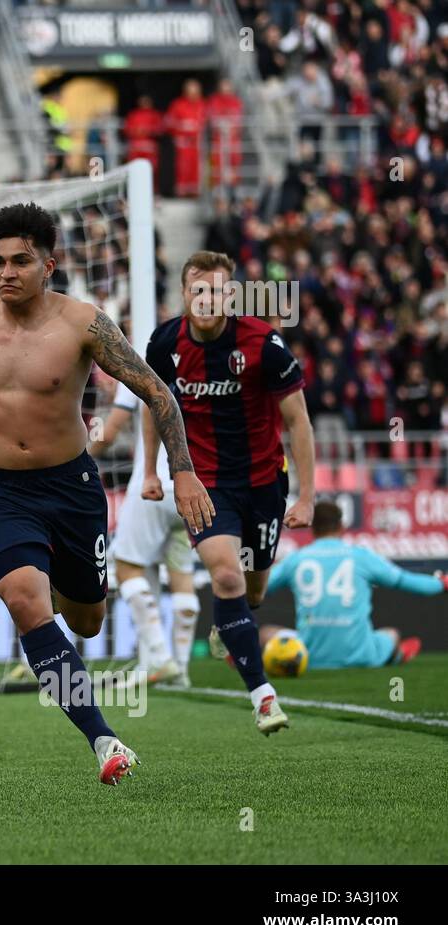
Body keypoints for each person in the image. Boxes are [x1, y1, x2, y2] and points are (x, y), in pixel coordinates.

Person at [0, 203, 214, 785]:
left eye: (20, 261)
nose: (6, 272)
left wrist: (182, 471)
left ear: (49, 264)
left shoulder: (85, 324)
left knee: (87, 621)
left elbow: (159, 395)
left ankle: (53, 583)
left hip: (72, 488)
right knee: (27, 603)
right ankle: (103, 738)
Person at [142, 251, 316, 735]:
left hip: (264, 483)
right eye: (198, 290)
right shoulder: (165, 342)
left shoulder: (265, 345)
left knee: (253, 588)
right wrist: (151, 471)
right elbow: (154, 404)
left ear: (230, 296)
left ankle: (230, 625)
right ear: (184, 294)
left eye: (216, 291)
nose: (206, 299)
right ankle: (263, 698)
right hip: (204, 484)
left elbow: (298, 420)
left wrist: (305, 497)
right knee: (226, 577)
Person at [89, 381, 201, 688]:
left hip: (151, 486)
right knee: (181, 574)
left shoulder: (139, 371)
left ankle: (160, 657)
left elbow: (108, 433)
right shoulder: (197, 369)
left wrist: (79, 456)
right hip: (191, 486)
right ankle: (177, 669)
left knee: (126, 567)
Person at [261, 501, 438, 667]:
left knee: (265, 634)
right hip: (360, 656)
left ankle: (249, 655)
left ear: (313, 530)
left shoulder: (296, 559)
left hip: (307, 656)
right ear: (342, 527)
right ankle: (397, 655)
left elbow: (258, 589)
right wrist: (440, 584)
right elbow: (404, 580)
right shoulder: (361, 556)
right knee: (391, 634)